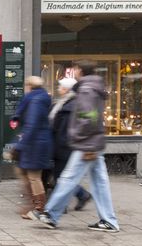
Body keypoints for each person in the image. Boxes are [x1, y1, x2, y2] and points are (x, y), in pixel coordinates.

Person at [36, 61, 119, 233]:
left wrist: (79, 137)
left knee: (68, 179)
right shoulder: (93, 86)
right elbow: (93, 116)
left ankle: (51, 215)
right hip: (94, 141)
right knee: (99, 183)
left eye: (75, 69)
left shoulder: (87, 89)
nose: (74, 72)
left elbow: (88, 116)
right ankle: (109, 220)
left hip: (86, 143)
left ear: (80, 71)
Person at [48, 77, 92, 212]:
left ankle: (61, 206)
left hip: (64, 147)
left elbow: (65, 129)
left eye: (61, 87)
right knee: (63, 177)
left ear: (67, 89)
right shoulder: (63, 102)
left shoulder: (70, 105)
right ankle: (81, 196)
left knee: (61, 177)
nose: (58, 89)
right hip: (62, 145)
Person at [12, 76, 52, 219]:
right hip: (36, 142)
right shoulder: (39, 98)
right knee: (25, 173)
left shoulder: (35, 100)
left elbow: (32, 124)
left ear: (29, 86)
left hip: (35, 143)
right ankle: (33, 204)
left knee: (34, 176)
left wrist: (20, 146)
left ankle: (39, 208)